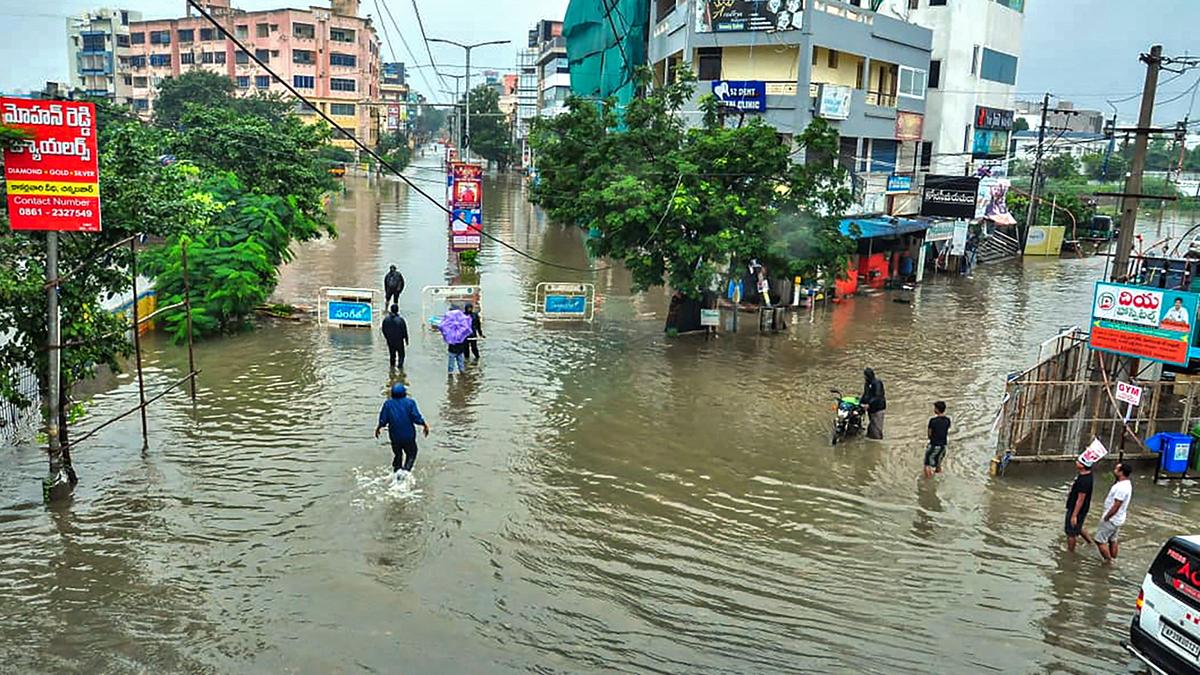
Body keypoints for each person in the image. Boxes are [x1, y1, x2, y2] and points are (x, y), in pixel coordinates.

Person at [374, 383, 430, 474]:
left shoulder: (388, 404)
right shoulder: (410, 403)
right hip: (408, 436)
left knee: (397, 455)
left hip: (395, 437)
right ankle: (406, 471)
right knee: (412, 454)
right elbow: (416, 417)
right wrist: (424, 424)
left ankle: (397, 471)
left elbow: (383, 420)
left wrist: (378, 428)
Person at [1095, 462, 1133, 563]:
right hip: (1118, 519)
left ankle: (1109, 561)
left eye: (1116, 469)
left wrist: (1107, 517)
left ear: (1121, 472)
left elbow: (1116, 505)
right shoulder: (1125, 484)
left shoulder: (1121, 487)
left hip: (1112, 519)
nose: (1114, 471)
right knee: (1113, 540)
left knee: (1099, 541)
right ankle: (1114, 558)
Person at [1064, 458, 1095, 552]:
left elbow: (1080, 499)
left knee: (1071, 533)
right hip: (1080, 508)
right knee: (1078, 526)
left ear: (1083, 466)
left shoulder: (1084, 481)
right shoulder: (1087, 475)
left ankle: (1070, 552)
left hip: (1077, 509)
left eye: (1079, 462)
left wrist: (1074, 515)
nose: (1076, 462)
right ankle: (1090, 543)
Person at [924, 401, 951, 478]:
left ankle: (928, 483)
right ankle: (938, 478)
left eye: (935, 408)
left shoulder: (933, 421)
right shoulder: (947, 420)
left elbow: (929, 434)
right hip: (943, 446)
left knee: (927, 465)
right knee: (938, 464)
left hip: (934, 445)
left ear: (937, 409)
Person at [380, 304, 409, 370]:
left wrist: (387, 337)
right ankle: (400, 369)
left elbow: (383, 329)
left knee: (392, 355)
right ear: (397, 310)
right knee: (401, 355)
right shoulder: (401, 320)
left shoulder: (386, 319)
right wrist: (406, 340)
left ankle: (392, 370)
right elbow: (404, 331)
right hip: (399, 341)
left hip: (390, 341)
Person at [861, 368, 887, 439]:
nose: (864, 377)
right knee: (872, 426)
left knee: (877, 428)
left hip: (878, 408)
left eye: (865, 376)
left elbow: (878, 396)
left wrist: (869, 404)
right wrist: (860, 402)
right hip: (871, 409)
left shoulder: (877, 383)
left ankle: (878, 442)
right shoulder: (867, 384)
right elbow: (865, 395)